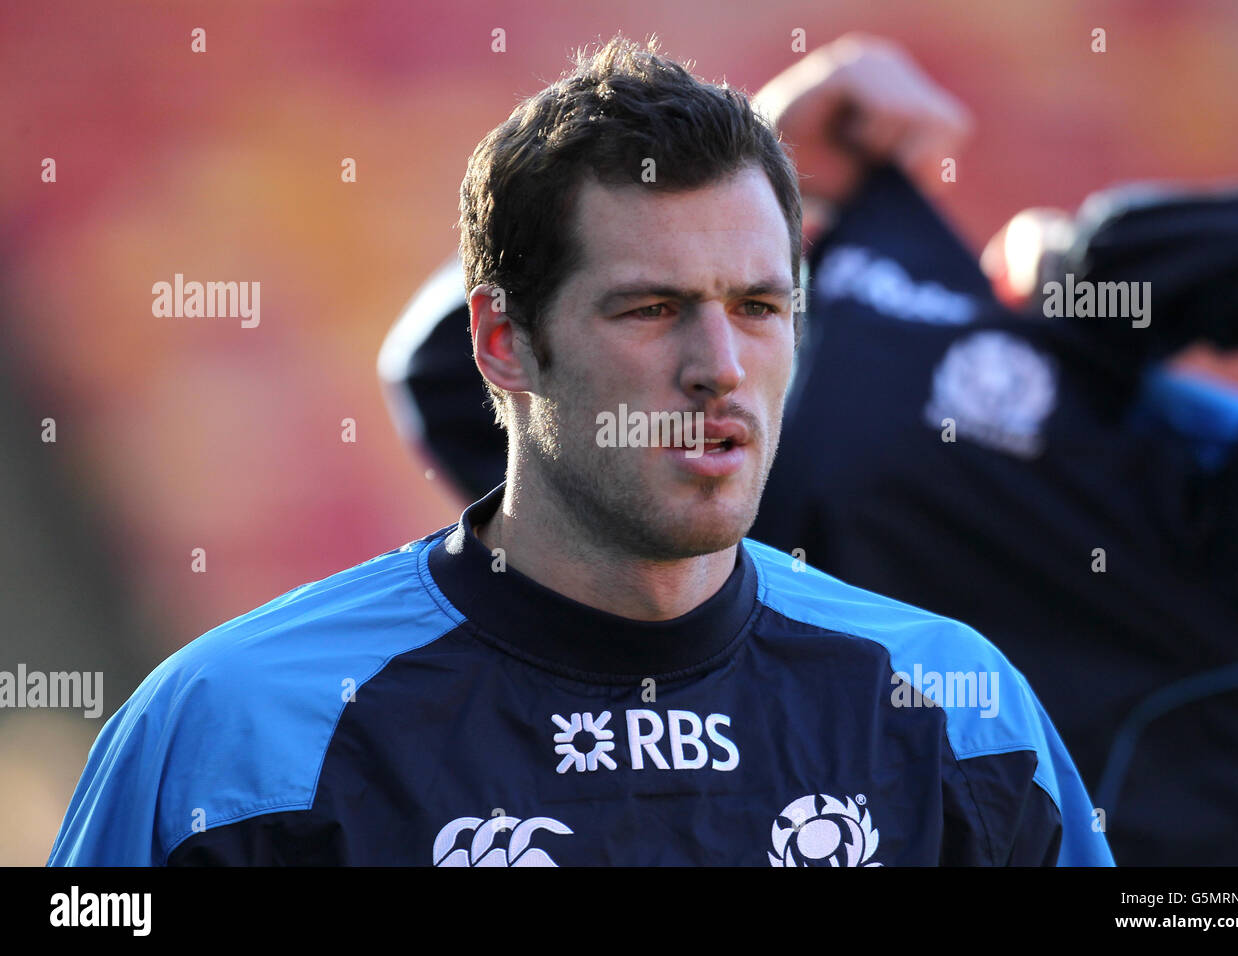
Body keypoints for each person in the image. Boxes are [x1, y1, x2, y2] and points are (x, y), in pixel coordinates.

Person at [48, 34, 1110, 867]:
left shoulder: (961, 707)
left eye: (757, 306)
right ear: (506, 342)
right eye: (650, 307)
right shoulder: (233, 728)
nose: (718, 365)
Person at [378, 34, 1238, 865]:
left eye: (756, 308)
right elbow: (496, 352)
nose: (721, 360)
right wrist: (737, 163)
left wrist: (1097, 257)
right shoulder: (1151, 430)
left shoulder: (1217, 718)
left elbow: (453, 376)